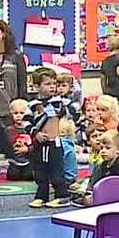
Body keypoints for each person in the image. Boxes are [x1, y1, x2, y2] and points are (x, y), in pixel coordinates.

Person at [27, 72, 78, 208]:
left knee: (56, 170)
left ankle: (62, 195)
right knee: (40, 171)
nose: (52, 87)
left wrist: (65, 111)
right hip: (39, 143)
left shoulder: (59, 101)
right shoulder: (32, 104)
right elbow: (26, 122)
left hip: (54, 143)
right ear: (37, 86)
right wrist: (35, 133)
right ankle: (41, 196)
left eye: (54, 84)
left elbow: (75, 109)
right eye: (47, 84)